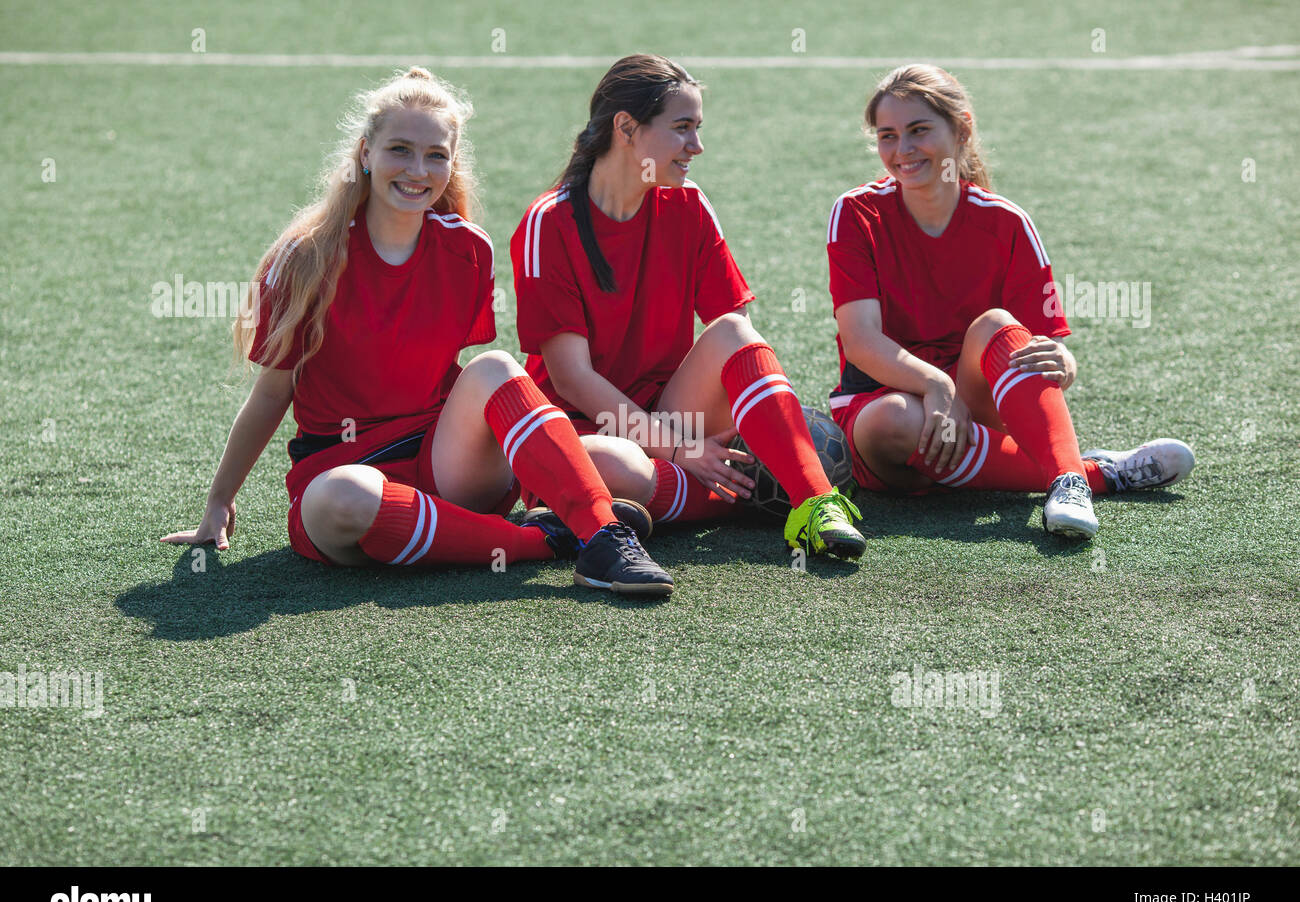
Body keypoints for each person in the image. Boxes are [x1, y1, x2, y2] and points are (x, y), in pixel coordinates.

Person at [162, 67, 673, 596]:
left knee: (503, 373)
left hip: (444, 461)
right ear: (365, 153)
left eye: (435, 155)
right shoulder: (306, 258)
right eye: (399, 149)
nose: (417, 169)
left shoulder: (468, 250)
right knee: (343, 497)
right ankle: (540, 539)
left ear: (451, 165)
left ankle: (606, 539)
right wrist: (219, 502)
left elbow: (462, 386)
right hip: (344, 466)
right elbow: (271, 394)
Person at [510, 54, 866, 560]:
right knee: (614, 464)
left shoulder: (689, 204)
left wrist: (719, 426)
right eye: (682, 128)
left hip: (672, 413)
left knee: (734, 336)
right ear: (626, 129)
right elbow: (571, 380)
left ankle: (811, 500)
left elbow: (735, 330)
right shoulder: (550, 222)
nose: (696, 146)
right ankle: (744, 492)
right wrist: (681, 451)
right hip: (587, 425)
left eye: (697, 128)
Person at [826, 63, 1194, 539]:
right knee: (895, 419)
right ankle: (1094, 475)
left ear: (962, 130)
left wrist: (1062, 359)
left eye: (919, 130)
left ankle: (1066, 481)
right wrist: (939, 387)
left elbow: (1044, 347)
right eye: (888, 136)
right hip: (886, 409)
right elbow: (860, 342)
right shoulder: (856, 213)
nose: (902, 150)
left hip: (978, 408)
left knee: (995, 323)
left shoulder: (1006, 222)